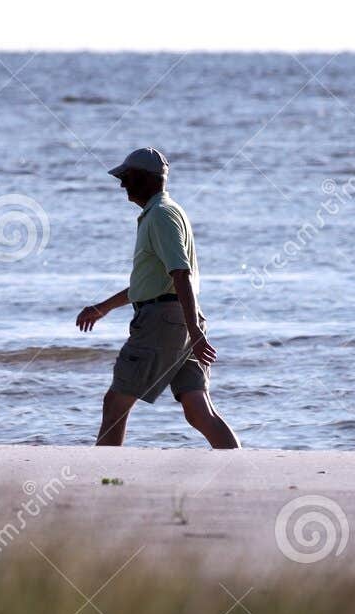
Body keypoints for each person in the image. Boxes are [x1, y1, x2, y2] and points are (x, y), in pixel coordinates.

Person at [76, 148, 240, 449]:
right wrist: (102, 308)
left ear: (144, 178)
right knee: (198, 409)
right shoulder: (167, 212)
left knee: (115, 404)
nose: (122, 184)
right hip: (179, 318)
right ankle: (236, 466)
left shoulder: (161, 216)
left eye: (126, 177)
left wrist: (196, 332)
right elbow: (151, 285)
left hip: (163, 322)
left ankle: (101, 479)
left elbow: (181, 275)